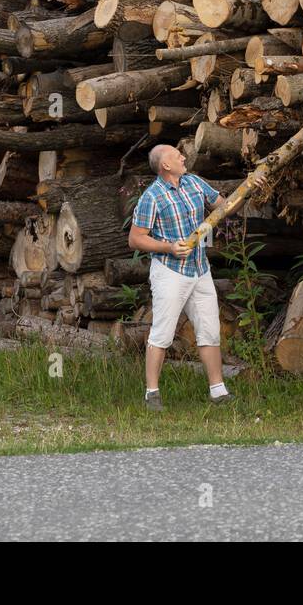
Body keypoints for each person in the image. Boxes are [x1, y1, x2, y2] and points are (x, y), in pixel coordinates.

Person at [129, 144, 231, 412]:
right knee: (162, 332)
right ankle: (152, 393)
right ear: (165, 165)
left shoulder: (194, 182)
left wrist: (251, 184)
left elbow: (224, 206)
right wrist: (169, 247)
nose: (183, 157)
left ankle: (218, 391)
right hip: (170, 272)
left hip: (200, 269)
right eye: (177, 155)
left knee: (209, 329)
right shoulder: (152, 197)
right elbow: (135, 238)